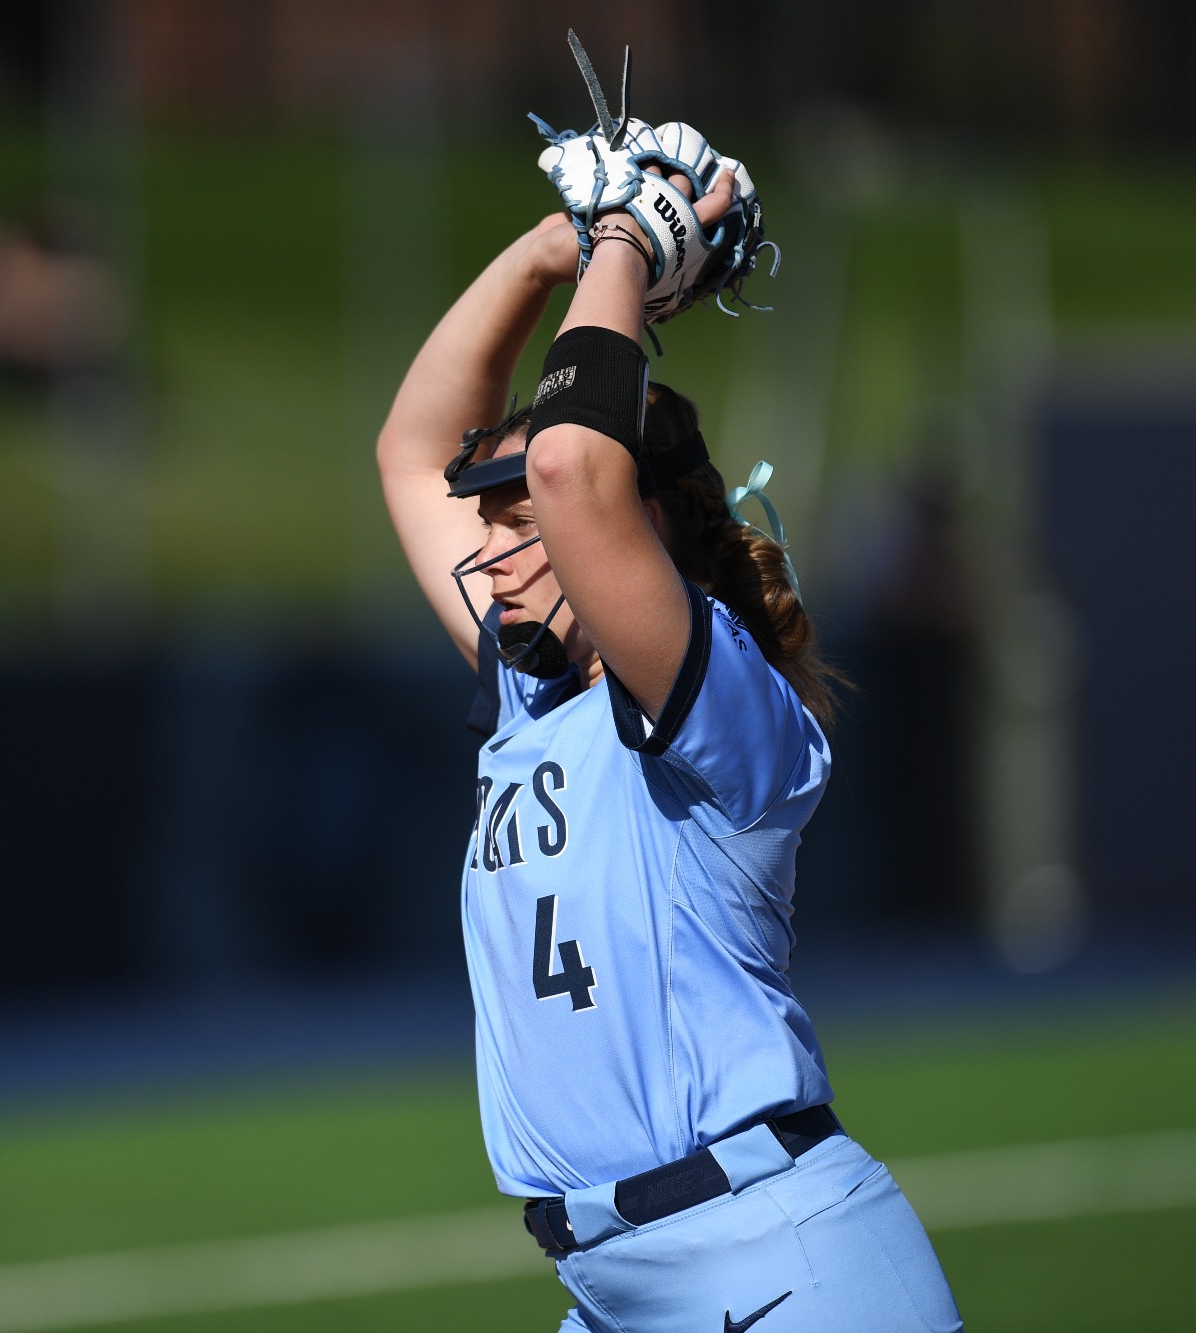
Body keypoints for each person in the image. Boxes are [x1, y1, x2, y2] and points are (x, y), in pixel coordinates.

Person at [376, 160, 963, 1330]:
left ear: (627, 525)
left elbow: (565, 466)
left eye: (513, 526)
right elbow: (408, 450)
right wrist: (553, 249)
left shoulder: (726, 710)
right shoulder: (533, 696)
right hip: (613, 1279)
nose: (487, 553)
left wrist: (626, 248)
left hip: (778, 1261)